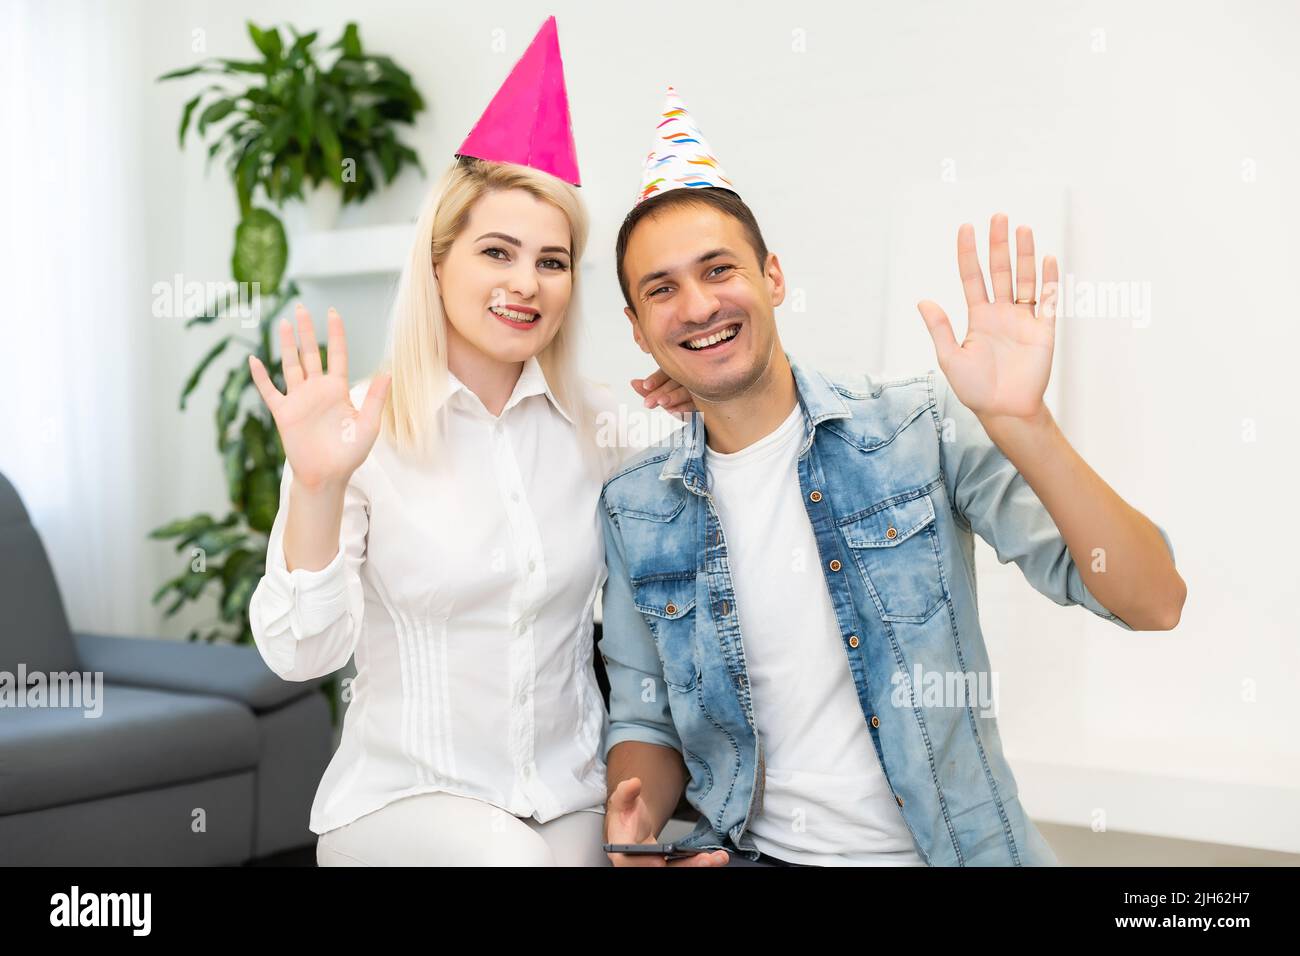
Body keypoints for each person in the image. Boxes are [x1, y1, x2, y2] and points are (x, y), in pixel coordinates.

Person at [598, 87, 1187, 867]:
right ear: (638, 329)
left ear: (774, 277)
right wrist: (633, 824)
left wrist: (1025, 425)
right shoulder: (636, 508)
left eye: (719, 269)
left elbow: (1154, 600)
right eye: (662, 288)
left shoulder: (921, 430)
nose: (699, 305)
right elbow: (645, 718)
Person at [245, 19, 690, 867]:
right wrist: (316, 486)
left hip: (562, 794)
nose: (526, 283)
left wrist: (694, 388)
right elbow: (301, 653)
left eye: (552, 261)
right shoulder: (359, 430)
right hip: (400, 801)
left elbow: (737, 464)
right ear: (440, 262)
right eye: (497, 252)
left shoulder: (604, 426)